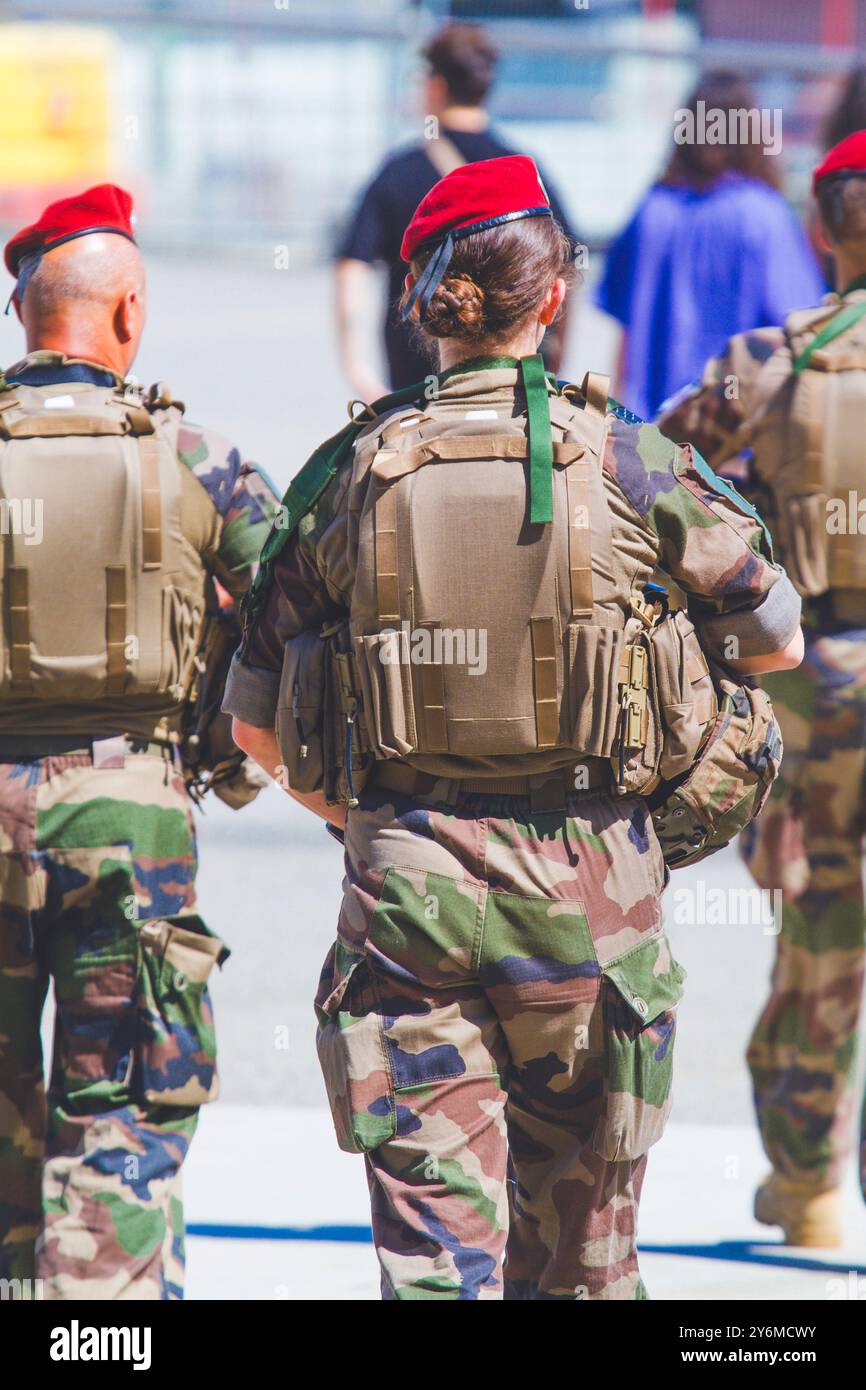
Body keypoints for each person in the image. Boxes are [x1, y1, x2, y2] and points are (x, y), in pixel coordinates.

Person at [227, 154, 802, 1300]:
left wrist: (381, 820)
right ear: (550, 302)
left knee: (436, 1273)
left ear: (423, 306)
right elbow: (775, 635)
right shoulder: (632, 461)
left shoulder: (351, 473)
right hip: (593, 912)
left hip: (404, 899)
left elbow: (255, 731)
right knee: (586, 1268)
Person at [0, 184, 277, 1298]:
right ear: (125, 313)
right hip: (134, 818)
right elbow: (302, 603)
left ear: (27, 313)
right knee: (116, 1114)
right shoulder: (194, 456)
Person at [659, 129, 866, 1248]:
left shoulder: (767, 357)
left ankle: (809, 1184)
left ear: (817, 230)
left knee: (820, 932)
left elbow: (652, 468)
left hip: (813, 689)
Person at [335, 21, 578, 401]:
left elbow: (352, 267)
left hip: (417, 393)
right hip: (516, 398)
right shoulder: (526, 175)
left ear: (436, 86)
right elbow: (567, 262)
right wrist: (558, 355)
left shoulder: (399, 172)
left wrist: (357, 368)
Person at [597, 70, 826, 422]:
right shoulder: (765, 215)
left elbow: (623, 328)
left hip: (654, 439)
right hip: (741, 437)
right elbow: (800, 324)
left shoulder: (653, 211)